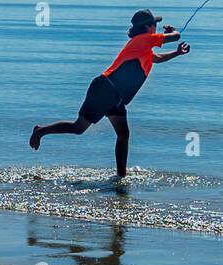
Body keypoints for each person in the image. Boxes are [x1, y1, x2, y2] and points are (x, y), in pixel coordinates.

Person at [30, 9, 190, 176]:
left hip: (116, 97)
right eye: (155, 24)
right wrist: (172, 32)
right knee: (79, 128)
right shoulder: (143, 39)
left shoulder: (143, 46)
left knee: (123, 135)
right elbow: (176, 36)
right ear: (149, 27)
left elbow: (156, 58)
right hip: (105, 89)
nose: (156, 27)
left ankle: (121, 176)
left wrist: (177, 53)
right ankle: (40, 131)